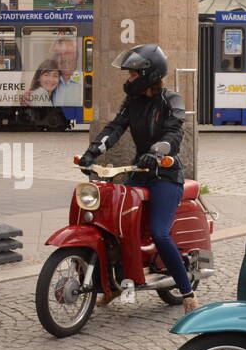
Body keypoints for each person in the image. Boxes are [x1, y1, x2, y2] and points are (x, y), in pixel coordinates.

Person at [79, 44, 197, 313]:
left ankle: (188, 292)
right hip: (139, 172)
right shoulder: (132, 102)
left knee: (159, 232)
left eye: (132, 74)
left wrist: (155, 153)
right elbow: (115, 128)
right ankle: (114, 284)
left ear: (149, 75)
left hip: (165, 175)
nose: (128, 79)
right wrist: (92, 152)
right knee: (113, 224)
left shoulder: (171, 100)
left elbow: (173, 134)